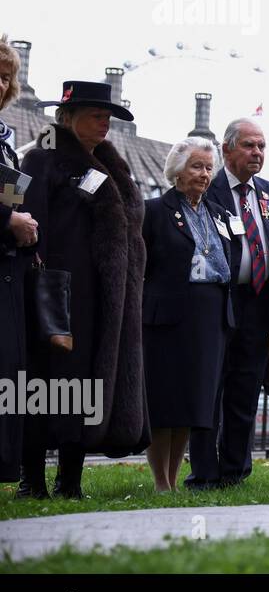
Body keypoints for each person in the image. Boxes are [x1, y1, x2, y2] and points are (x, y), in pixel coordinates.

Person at [18, 80, 150, 498]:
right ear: (67, 118)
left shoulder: (115, 168)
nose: (104, 124)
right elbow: (29, 223)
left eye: (108, 117)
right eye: (96, 116)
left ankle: (70, 481)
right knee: (44, 384)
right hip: (56, 293)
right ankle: (32, 480)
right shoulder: (42, 160)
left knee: (88, 384)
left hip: (102, 300)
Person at [187, 118, 269, 489]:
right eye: (249, 146)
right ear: (227, 149)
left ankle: (235, 472)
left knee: (245, 391)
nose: (257, 153)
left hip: (259, 304)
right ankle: (204, 472)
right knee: (209, 388)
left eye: (262, 146)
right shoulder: (207, 188)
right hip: (217, 302)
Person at [141, 137, 233, 491]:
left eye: (209, 167)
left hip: (210, 317)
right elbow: (140, 265)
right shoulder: (153, 210)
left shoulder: (219, 213)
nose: (205, 174)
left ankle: (174, 480)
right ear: (176, 172)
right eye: (197, 166)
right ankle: (160, 482)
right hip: (168, 317)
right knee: (165, 401)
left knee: (192, 405)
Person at [0, 36, 39, 483]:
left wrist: (23, 222)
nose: (1, 82)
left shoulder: (6, 139)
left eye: (6, 76)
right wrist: (8, 221)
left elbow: (13, 195)